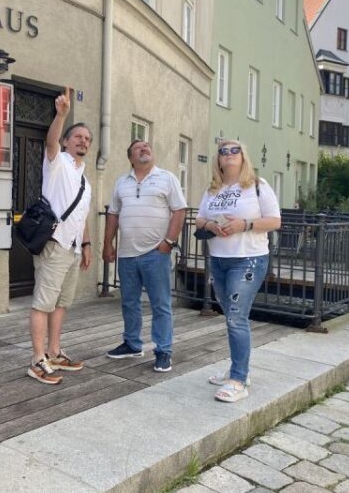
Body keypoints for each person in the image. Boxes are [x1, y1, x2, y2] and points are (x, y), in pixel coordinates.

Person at [194, 140, 281, 402]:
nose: (229, 154)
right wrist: (210, 225)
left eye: (235, 150)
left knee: (236, 317)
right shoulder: (213, 189)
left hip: (248, 260)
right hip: (219, 260)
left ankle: (239, 380)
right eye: (224, 151)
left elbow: (275, 221)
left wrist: (245, 224)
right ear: (218, 159)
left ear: (243, 157)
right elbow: (199, 218)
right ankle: (238, 369)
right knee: (231, 315)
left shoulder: (257, 185)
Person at [103, 140, 187, 373]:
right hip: (127, 254)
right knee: (129, 302)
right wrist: (108, 244)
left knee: (160, 304)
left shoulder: (167, 178)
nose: (145, 148)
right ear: (130, 157)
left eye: (147, 146)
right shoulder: (121, 182)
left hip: (155, 253)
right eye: (138, 147)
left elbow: (179, 210)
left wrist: (169, 242)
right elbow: (113, 214)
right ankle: (132, 344)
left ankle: (163, 350)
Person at [27, 89, 93, 385]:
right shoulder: (58, 162)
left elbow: (83, 214)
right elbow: (50, 141)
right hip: (54, 246)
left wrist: (87, 244)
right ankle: (37, 359)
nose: (83, 141)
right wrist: (61, 115)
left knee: (61, 303)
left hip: (73, 249)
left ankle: (54, 352)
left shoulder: (85, 178)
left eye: (87, 139)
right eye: (78, 136)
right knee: (43, 303)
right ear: (67, 141)